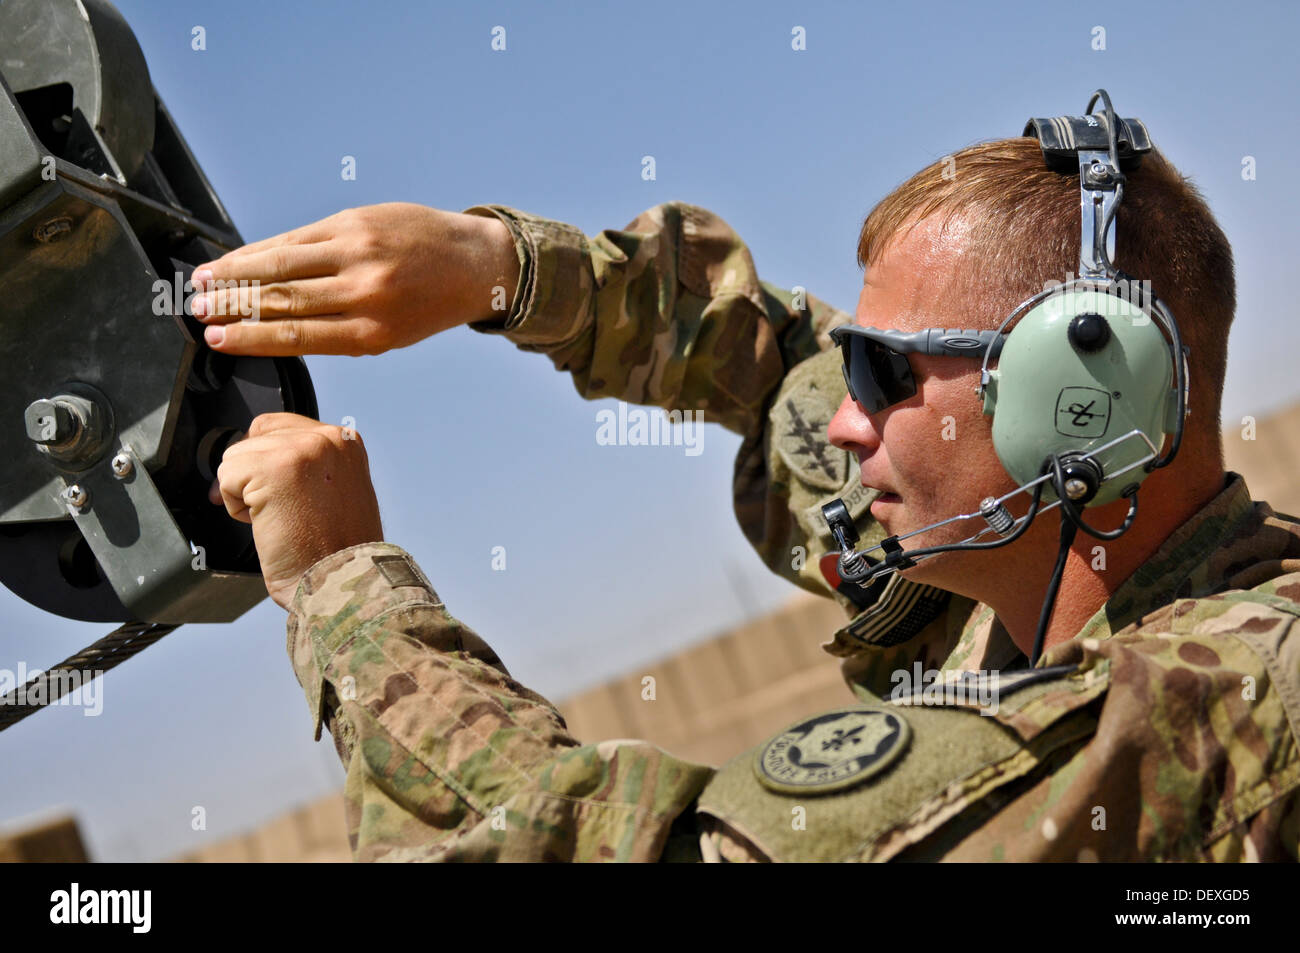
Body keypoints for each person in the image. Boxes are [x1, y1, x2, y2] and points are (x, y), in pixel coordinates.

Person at [196, 131, 1300, 862]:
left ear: (1081, 404)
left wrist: (344, 585)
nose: (843, 420)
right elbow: (777, 368)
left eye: (885, 373)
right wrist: (499, 267)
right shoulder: (1027, 563)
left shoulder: (1206, 705)